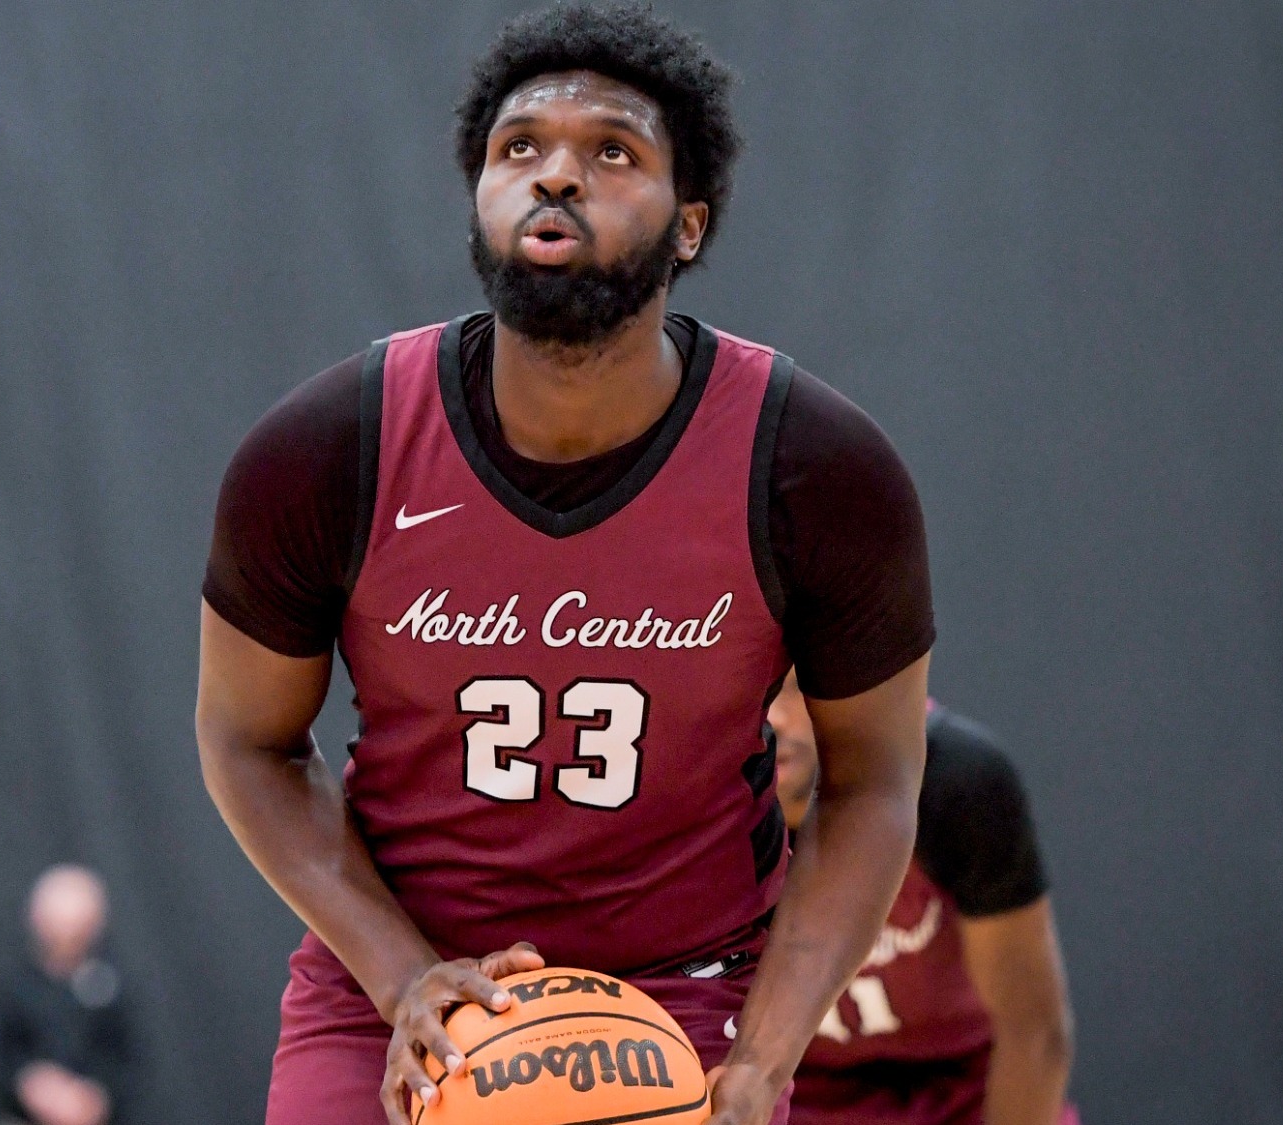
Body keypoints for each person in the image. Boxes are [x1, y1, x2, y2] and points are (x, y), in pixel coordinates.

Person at [195, 5, 939, 1123]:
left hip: (685, 1000)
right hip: (397, 994)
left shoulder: (813, 467)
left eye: (611, 151)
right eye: (518, 149)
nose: (554, 175)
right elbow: (246, 742)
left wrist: (767, 1058)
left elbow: (872, 782)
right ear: (476, 204)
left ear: (687, 227)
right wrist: (401, 979)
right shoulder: (325, 450)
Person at [769, 672, 1078, 1125]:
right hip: (793, 1100)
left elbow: (1034, 1033)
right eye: (758, 687)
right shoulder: (696, 807)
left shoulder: (954, 782)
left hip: (967, 1095)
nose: (774, 716)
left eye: (801, 686)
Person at [0, 866, 135, 1125]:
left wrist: (92, 1097)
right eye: (59, 922)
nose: (67, 934)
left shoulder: (112, 989)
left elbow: (129, 1063)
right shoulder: (14, 990)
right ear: (37, 919)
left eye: (76, 924)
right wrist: (30, 1083)